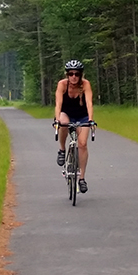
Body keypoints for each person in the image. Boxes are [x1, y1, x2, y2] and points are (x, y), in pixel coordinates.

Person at [54, 59, 95, 193]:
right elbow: (58, 104)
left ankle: (82, 178)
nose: (74, 77)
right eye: (71, 74)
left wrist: (90, 120)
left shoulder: (85, 84)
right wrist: (57, 120)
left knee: (82, 144)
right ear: (67, 75)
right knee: (63, 123)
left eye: (77, 74)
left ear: (81, 75)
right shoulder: (62, 85)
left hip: (82, 116)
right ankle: (62, 149)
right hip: (66, 114)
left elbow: (89, 103)